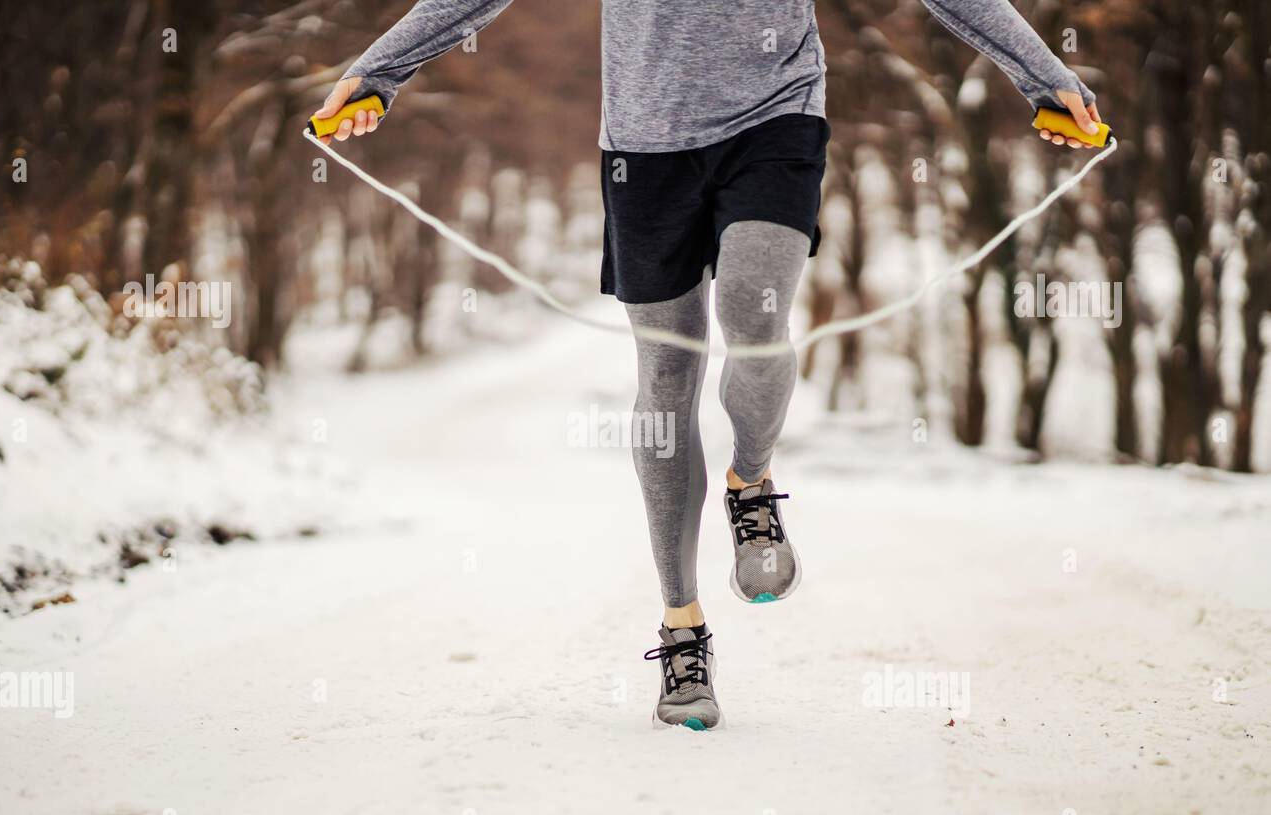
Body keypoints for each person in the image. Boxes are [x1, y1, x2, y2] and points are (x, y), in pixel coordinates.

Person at [314, 1, 1104, 731]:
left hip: (776, 121)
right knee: (666, 378)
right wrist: (378, 74)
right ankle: (682, 627)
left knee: (755, 317)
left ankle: (750, 482)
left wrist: (1047, 78)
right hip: (643, 151)